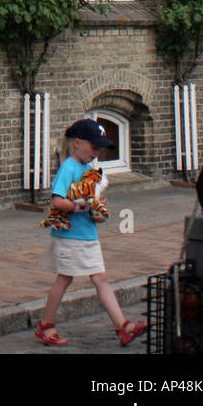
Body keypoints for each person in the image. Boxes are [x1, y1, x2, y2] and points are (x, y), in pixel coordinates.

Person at [35, 118, 147, 348]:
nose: (96, 152)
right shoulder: (69, 168)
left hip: (87, 234)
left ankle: (121, 327)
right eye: (94, 147)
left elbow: (92, 202)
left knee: (93, 279)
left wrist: (99, 212)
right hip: (71, 236)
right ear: (77, 143)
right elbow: (56, 201)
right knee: (68, 279)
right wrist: (79, 206)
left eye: (99, 148)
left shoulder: (89, 170)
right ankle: (47, 325)